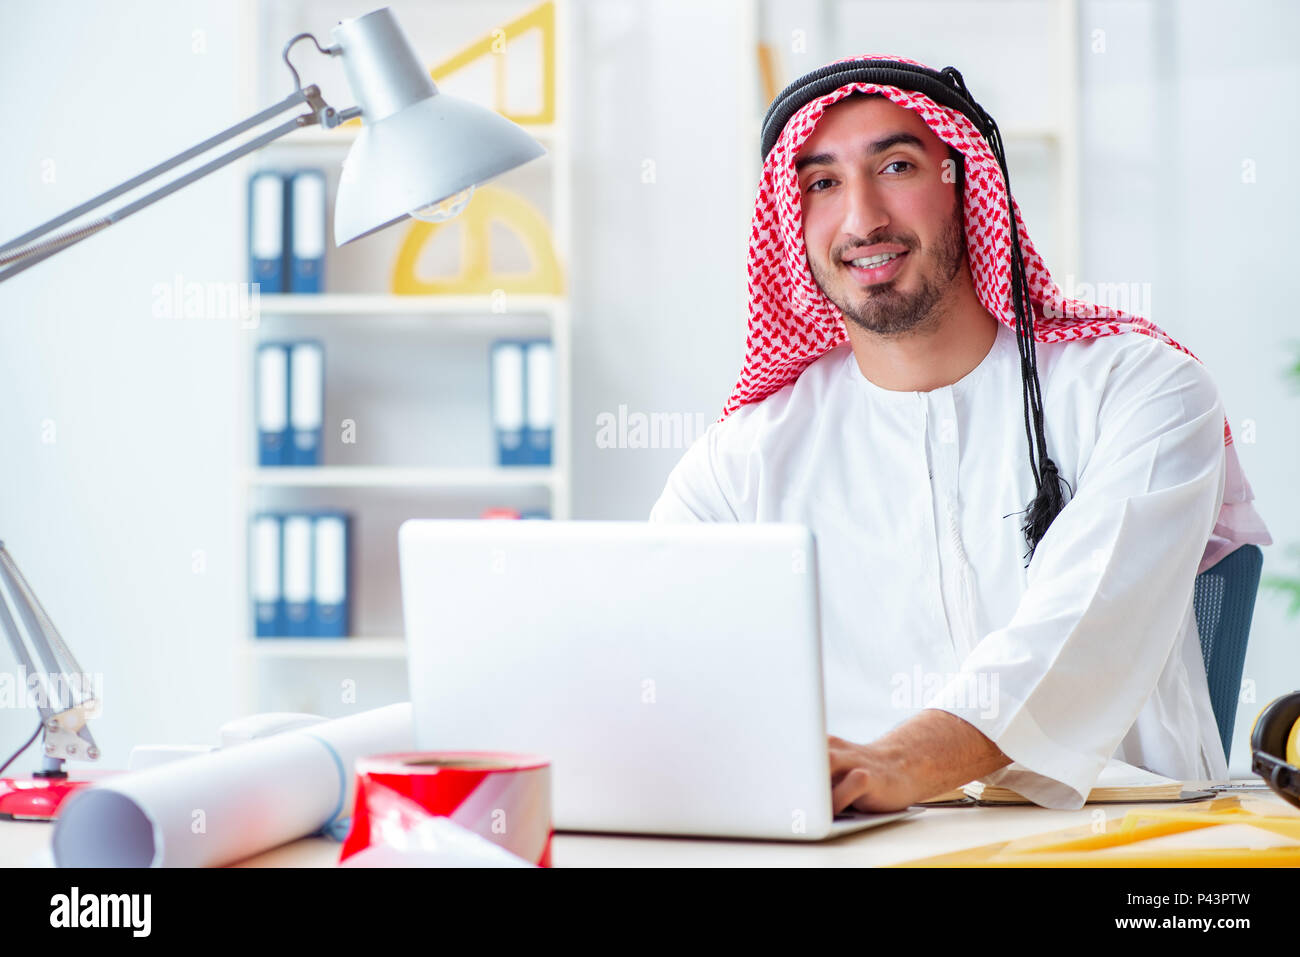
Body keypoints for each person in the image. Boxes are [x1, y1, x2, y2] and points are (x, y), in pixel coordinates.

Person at [648, 56, 1272, 814]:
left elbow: (1078, 628)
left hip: (1126, 840)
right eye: (822, 183)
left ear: (966, 184)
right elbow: (656, 665)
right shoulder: (739, 464)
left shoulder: (1142, 390)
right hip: (870, 847)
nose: (863, 217)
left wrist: (901, 762)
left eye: (898, 165)